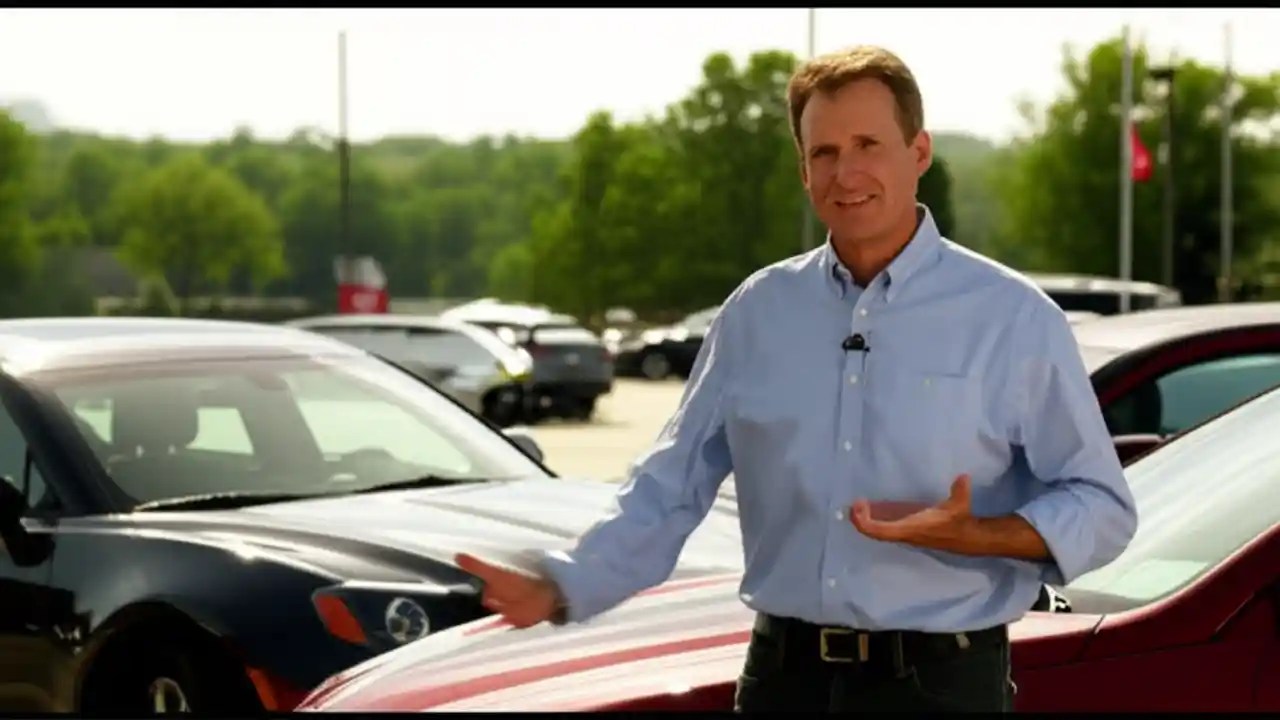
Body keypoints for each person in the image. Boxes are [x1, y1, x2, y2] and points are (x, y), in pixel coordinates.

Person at [456, 45, 1138, 713]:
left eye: (869, 144)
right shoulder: (758, 312)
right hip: (783, 678)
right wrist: (565, 583)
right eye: (825, 153)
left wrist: (978, 535)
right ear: (803, 170)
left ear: (919, 152)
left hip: (941, 683)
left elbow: (1102, 506)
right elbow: (671, 482)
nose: (847, 173)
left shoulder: (1011, 317)